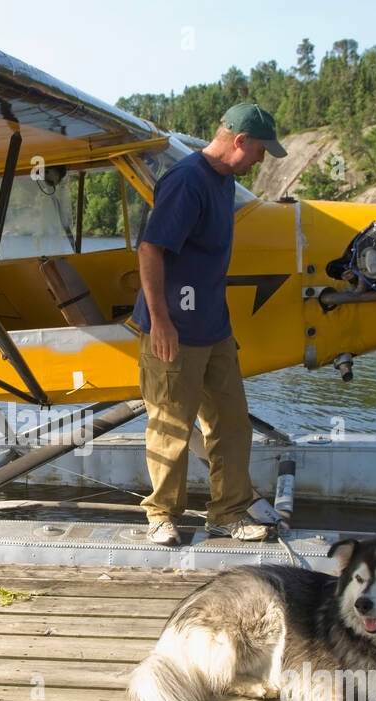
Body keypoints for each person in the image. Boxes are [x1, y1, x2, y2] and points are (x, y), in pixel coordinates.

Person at [133, 104, 286, 546]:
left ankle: (227, 512)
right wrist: (161, 322)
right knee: (170, 423)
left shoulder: (225, 181)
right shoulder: (187, 181)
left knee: (232, 423)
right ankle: (161, 514)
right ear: (239, 140)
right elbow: (150, 249)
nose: (262, 160)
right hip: (174, 329)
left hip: (214, 328)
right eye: (259, 150)